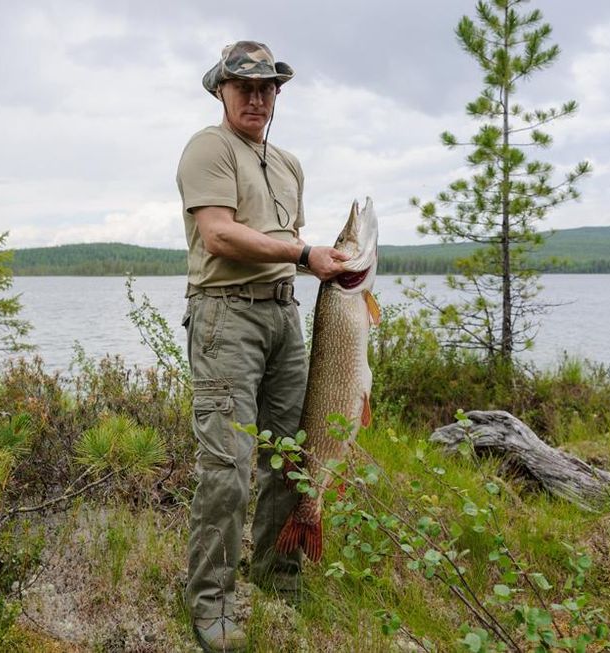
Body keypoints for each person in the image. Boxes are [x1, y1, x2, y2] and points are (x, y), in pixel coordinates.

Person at [176, 41, 347, 652]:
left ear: (278, 94)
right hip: (227, 320)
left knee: (290, 456)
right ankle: (210, 601)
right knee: (227, 469)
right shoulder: (209, 148)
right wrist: (305, 254)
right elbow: (220, 236)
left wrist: (325, 266)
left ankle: (278, 577)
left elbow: (280, 244)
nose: (255, 97)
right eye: (242, 86)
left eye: (266, 87)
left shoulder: (289, 163)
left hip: (284, 318)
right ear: (220, 90)